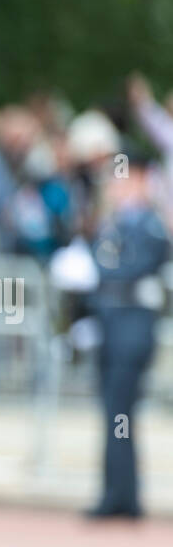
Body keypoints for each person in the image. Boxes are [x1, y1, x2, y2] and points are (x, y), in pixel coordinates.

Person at [84, 159, 168, 518]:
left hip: (132, 328)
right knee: (113, 412)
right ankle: (120, 492)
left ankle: (121, 495)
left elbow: (133, 267)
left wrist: (94, 268)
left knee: (120, 411)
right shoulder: (112, 224)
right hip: (109, 325)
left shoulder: (150, 225)